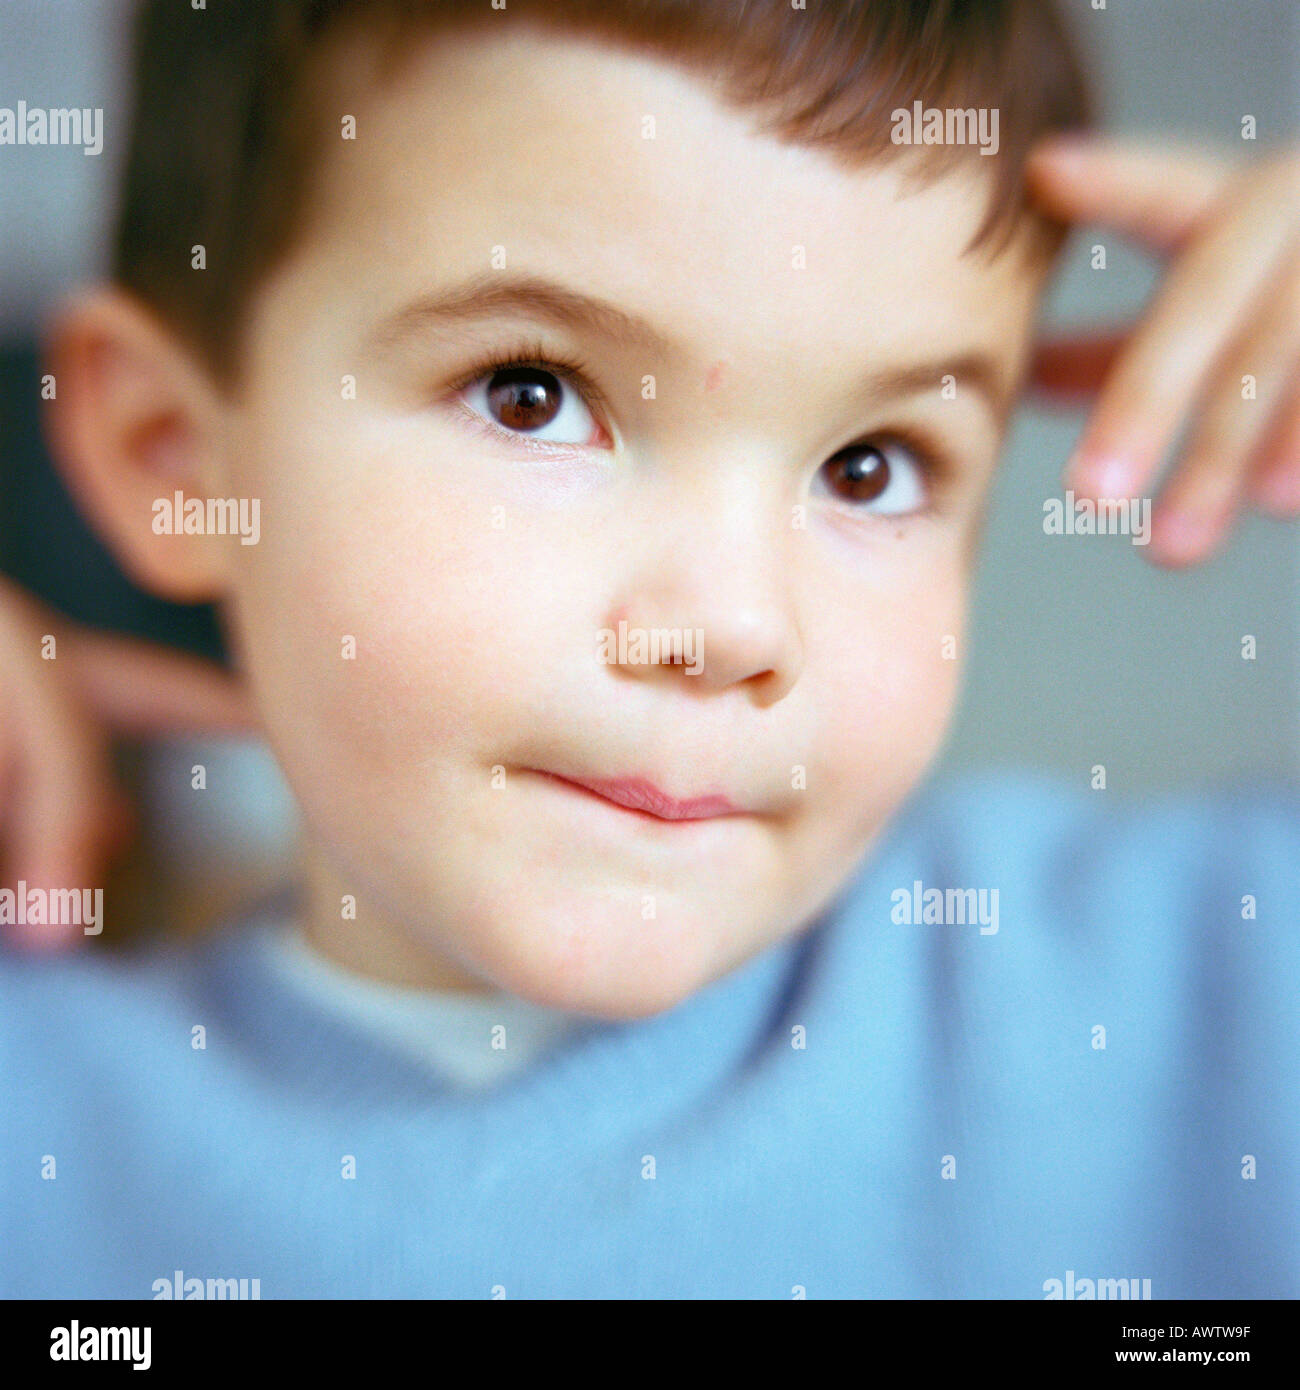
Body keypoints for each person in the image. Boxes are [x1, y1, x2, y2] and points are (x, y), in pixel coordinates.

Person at [2, 0, 1297, 1298]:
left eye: (870, 466)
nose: (731, 627)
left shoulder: (1188, 998)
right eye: (535, 395)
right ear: (173, 457)